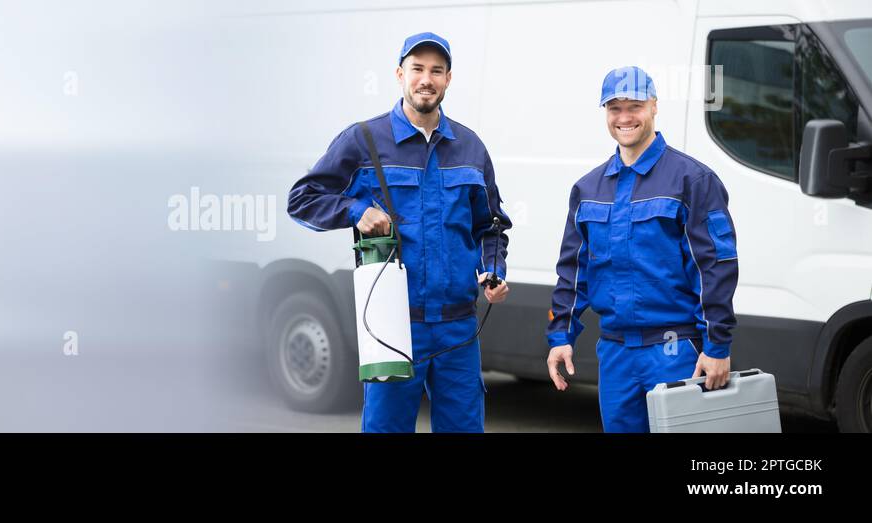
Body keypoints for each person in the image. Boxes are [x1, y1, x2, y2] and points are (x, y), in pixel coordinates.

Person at [288, 32, 511, 433]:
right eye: (418, 69)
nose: (427, 79)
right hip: (392, 325)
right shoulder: (364, 140)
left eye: (437, 71)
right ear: (399, 74)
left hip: (458, 330)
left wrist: (492, 269)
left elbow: (491, 226)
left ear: (448, 79)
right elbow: (302, 200)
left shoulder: (471, 148)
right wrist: (356, 210)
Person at [545, 66, 739, 432]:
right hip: (615, 353)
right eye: (614, 108)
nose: (624, 117)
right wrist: (560, 337)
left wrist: (716, 346)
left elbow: (714, 268)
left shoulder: (692, 180)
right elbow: (573, 272)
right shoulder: (588, 189)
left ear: (654, 106)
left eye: (633, 106)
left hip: (674, 350)